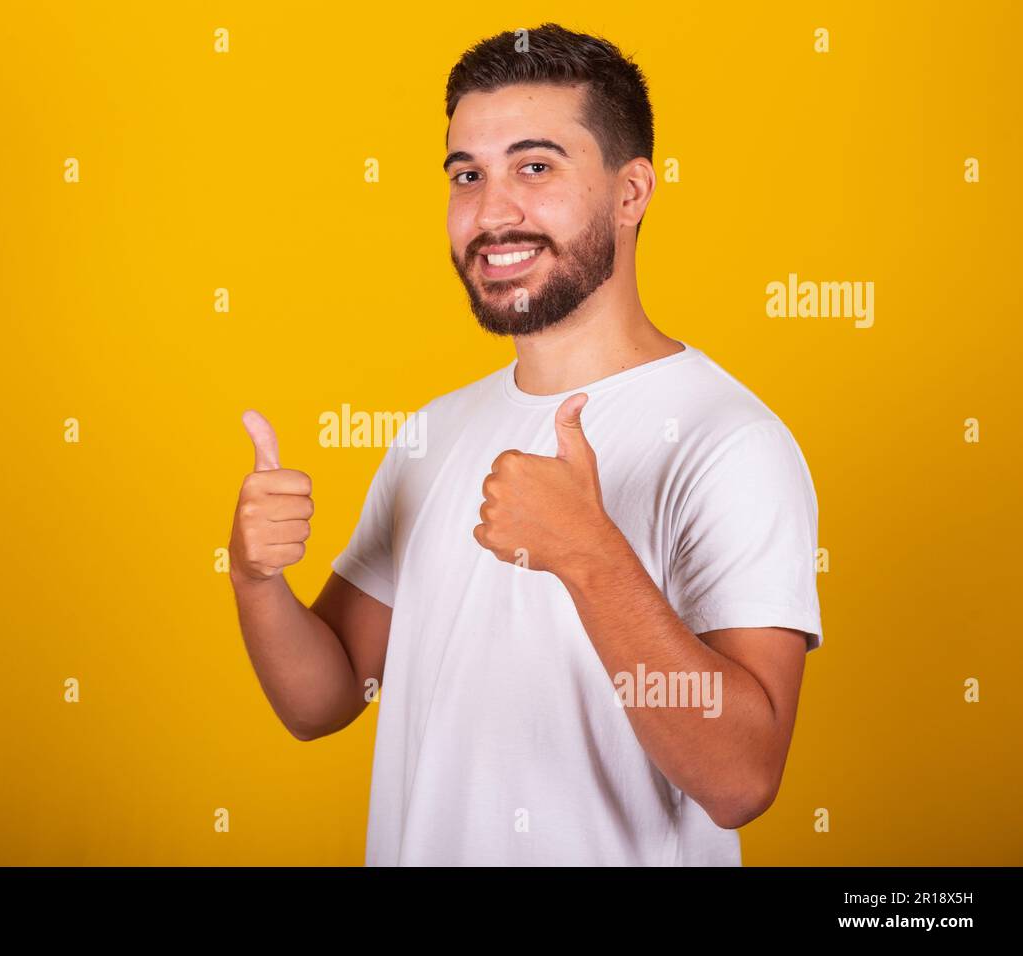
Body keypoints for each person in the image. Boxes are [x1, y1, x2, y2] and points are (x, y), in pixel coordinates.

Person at [228, 23, 823, 866]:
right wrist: (254, 578)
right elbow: (322, 700)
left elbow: (741, 781)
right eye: (468, 174)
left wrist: (589, 555)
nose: (492, 210)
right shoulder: (434, 433)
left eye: (535, 167)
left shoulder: (729, 441)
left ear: (631, 192)